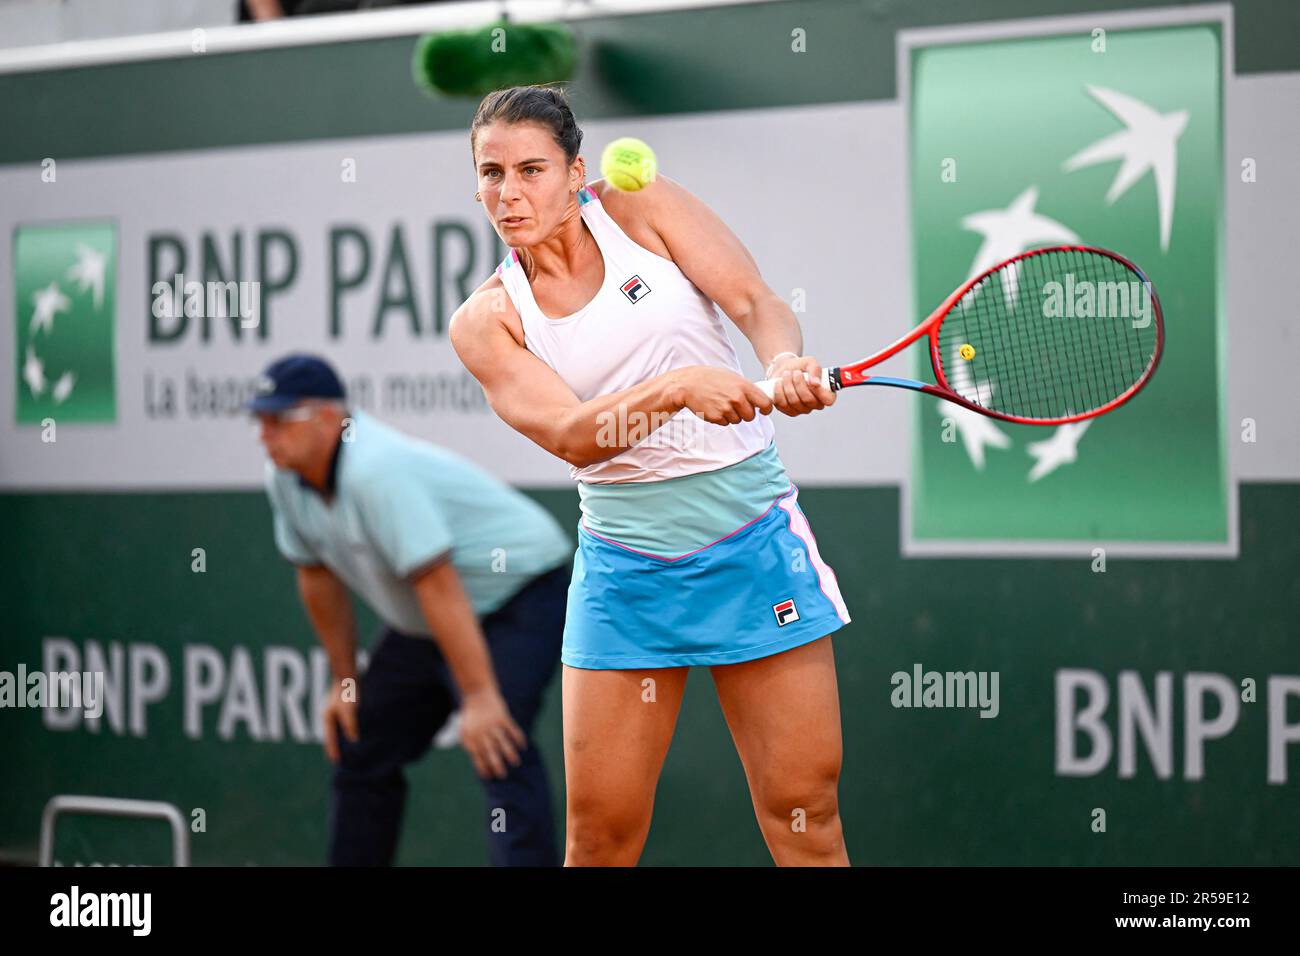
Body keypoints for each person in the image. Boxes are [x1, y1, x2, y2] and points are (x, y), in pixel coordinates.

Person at [449, 86, 852, 866]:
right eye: (491, 173)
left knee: (806, 818)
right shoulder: (487, 320)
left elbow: (754, 300)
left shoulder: (639, 203)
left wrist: (783, 362)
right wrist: (678, 389)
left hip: (752, 545)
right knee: (598, 842)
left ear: (576, 171)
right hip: (625, 577)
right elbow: (574, 438)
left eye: (532, 169)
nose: (510, 192)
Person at [250, 353, 571, 866]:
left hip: (523, 593)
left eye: (279, 420)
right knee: (360, 742)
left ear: (330, 417)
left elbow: (437, 581)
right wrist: (343, 682)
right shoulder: (283, 477)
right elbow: (316, 575)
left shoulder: (376, 471)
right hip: (433, 616)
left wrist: (480, 696)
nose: (266, 434)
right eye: (260, 421)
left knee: (499, 744)